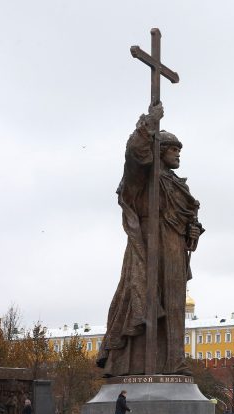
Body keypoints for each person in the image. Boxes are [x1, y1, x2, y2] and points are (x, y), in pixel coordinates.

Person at [96, 103, 204, 377]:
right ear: (159, 151)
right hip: (147, 243)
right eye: (172, 149)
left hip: (174, 247)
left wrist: (192, 233)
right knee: (141, 297)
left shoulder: (179, 186)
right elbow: (134, 155)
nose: (178, 154)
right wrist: (148, 124)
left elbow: (188, 222)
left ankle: (174, 362)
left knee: (175, 303)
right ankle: (133, 363)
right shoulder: (144, 178)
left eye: (180, 149)